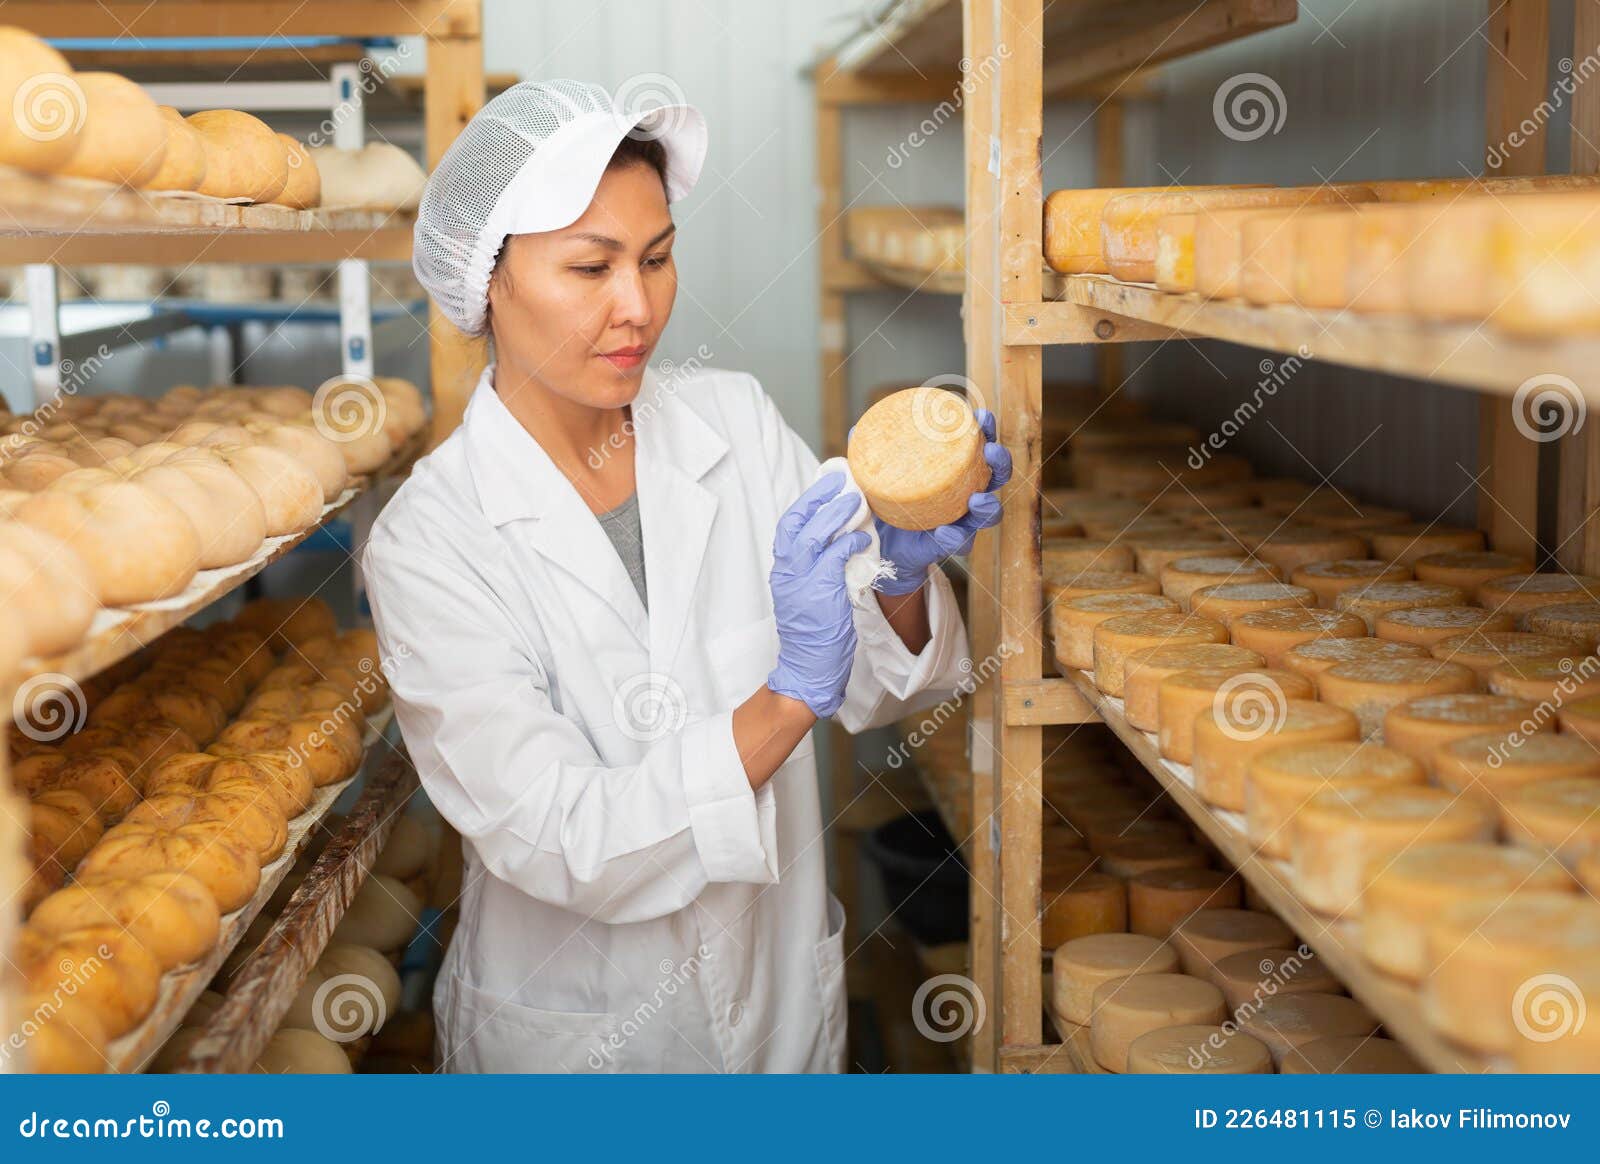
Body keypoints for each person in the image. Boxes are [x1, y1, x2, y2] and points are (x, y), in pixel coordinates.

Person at [361, 80, 1010, 1073]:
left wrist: (900, 582)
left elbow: (880, 688)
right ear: (487, 281)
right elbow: (561, 835)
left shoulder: (734, 424)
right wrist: (788, 696)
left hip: (776, 993)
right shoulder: (431, 541)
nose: (638, 307)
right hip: (578, 1039)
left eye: (657, 258)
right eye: (592, 267)